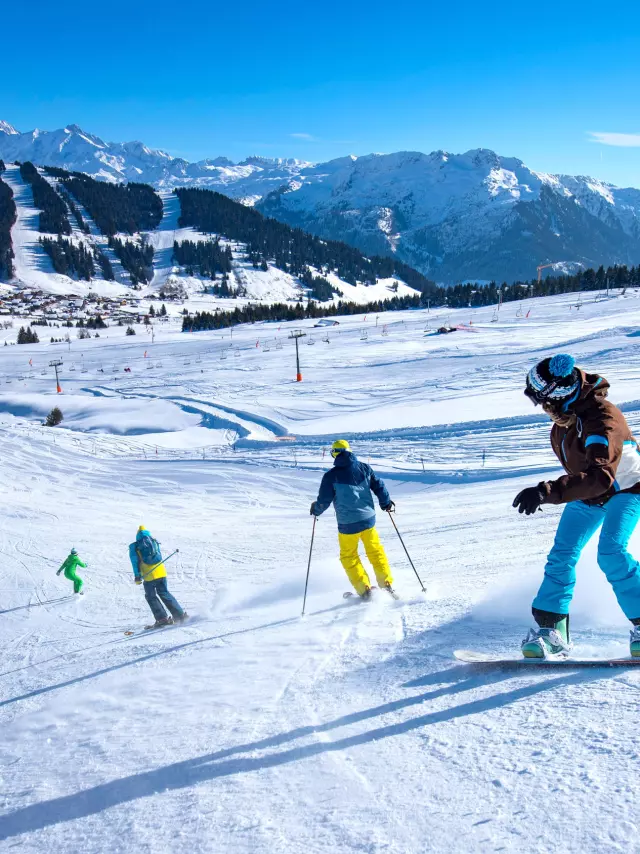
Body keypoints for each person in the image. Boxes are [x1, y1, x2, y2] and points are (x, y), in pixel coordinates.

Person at [513, 354, 640, 658]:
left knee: (611, 552)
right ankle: (553, 630)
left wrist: (547, 492)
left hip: (626, 489)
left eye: (545, 404)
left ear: (559, 399)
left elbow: (601, 476)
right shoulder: (565, 420)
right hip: (591, 494)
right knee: (561, 554)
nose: (543, 411)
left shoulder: (602, 419)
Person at [311, 439, 396, 599]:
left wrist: (316, 509)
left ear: (335, 453)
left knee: (349, 556)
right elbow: (379, 485)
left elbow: (324, 500)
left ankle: (364, 590)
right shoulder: (364, 468)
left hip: (347, 524)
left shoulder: (331, 476)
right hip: (368, 520)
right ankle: (386, 584)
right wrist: (385, 503)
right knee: (375, 551)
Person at [129, 526, 188, 628]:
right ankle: (180, 615)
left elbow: (135, 562)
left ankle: (162, 619)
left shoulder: (135, 546)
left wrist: (137, 576)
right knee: (164, 592)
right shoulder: (154, 542)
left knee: (151, 596)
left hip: (149, 575)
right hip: (161, 572)